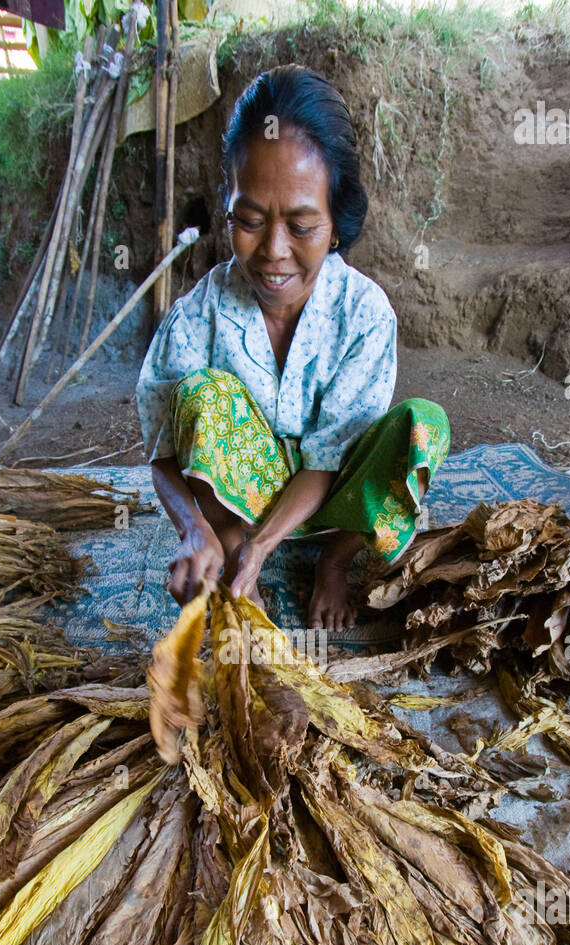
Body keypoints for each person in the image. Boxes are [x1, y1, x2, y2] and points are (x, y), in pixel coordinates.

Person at [136, 64, 450, 632]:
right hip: (235, 504)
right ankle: (233, 557)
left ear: (336, 223)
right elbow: (161, 450)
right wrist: (196, 529)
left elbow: (331, 457)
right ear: (228, 209)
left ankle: (332, 561)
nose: (273, 251)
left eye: (302, 226)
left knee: (423, 426)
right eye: (250, 220)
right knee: (201, 394)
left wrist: (268, 545)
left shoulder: (364, 314)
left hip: (333, 502)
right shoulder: (201, 312)